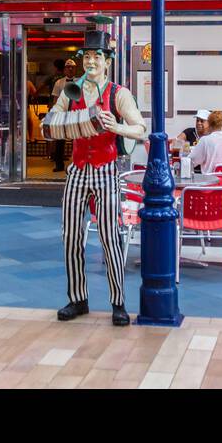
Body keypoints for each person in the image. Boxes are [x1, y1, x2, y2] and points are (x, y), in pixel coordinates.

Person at [53, 28, 146, 327]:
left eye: (97, 57)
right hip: (77, 169)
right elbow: (52, 120)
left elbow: (141, 130)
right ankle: (77, 298)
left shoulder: (119, 93)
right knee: (70, 237)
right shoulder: (72, 91)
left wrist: (116, 127)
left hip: (106, 169)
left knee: (109, 237)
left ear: (108, 61)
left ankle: (118, 302)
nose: (91, 62)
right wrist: (64, 120)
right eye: (87, 57)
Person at [49, 58, 78, 171]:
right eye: (68, 67)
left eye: (72, 67)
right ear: (65, 69)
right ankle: (59, 165)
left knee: (77, 140)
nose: (70, 69)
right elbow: (55, 99)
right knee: (60, 141)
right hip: (63, 115)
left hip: (76, 115)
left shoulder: (80, 81)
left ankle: (77, 165)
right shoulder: (59, 82)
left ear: (75, 69)